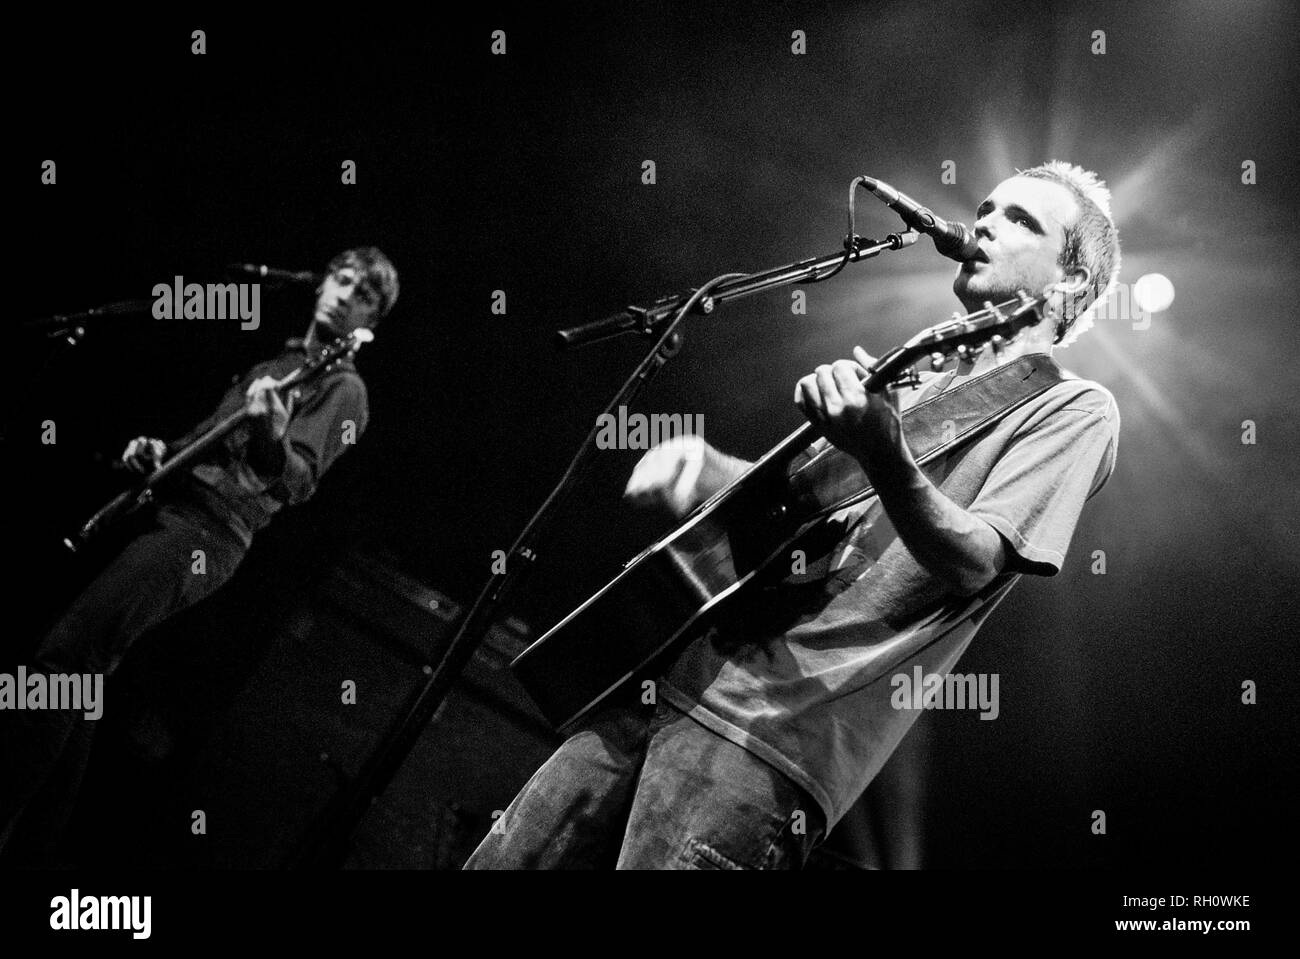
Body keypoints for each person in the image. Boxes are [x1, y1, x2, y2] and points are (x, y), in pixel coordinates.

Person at [465, 161, 1122, 870]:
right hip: (672, 671)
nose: (987, 220)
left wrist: (882, 450)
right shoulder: (915, 372)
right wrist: (704, 468)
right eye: (988, 206)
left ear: (1071, 284)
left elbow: (975, 559)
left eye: (1022, 219)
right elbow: (804, 517)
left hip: (776, 737)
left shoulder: (1073, 408)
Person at [0, 246, 399, 862]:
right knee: (83, 679)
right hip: (172, 509)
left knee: (63, 660)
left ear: (373, 318)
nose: (345, 294)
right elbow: (200, 443)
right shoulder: (278, 361)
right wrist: (157, 451)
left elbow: (295, 482)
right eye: (341, 279)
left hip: (207, 536)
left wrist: (272, 435)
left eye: (364, 293)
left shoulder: (344, 387)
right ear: (321, 283)